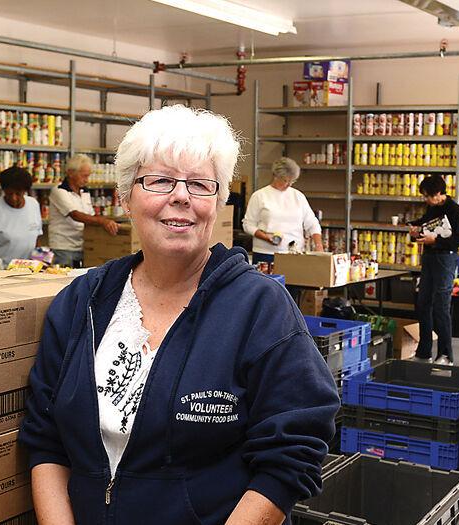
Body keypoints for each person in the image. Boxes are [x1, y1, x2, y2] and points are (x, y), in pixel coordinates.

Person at [20, 105, 339, 525]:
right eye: (160, 180)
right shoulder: (82, 301)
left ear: (218, 203)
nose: (182, 196)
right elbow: (46, 440)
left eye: (200, 184)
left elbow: (292, 453)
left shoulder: (260, 307)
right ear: (125, 197)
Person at [407, 174, 459, 366]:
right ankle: (424, 352)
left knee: (441, 306)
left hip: (445, 259)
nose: (426, 199)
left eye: (428, 196)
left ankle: (446, 355)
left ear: (439, 193)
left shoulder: (455, 211)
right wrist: (415, 230)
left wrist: (436, 241)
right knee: (423, 303)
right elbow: (425, 224)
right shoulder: (431, 208)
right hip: (429, 258)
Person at [242, 157, 323, 263]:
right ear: (275, 176)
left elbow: (312, 223)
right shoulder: (259, 196)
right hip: (266, 254)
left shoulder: (298, 196)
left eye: (292, 181)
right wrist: (266, 237)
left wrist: (318, 246)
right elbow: (248, 225)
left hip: (294, 253)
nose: (289, 184)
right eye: (285, 180)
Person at [48, 154, 121, 267]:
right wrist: (102, 221)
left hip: (83, 245)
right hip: (63, 247)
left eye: (88, 176)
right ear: (71, 173)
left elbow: (90, 216)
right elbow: (75, 215)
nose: (86, 180)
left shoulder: (85, 192)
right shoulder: (59, 191)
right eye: (84, 176)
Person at [0, 166, 44, 269]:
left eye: (18, 194)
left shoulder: (33, 204)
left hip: (28, 268)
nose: (13, 198)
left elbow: (36, 237)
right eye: (9, 193)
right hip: (2, 268)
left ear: (25, 191)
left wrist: (40, 260)